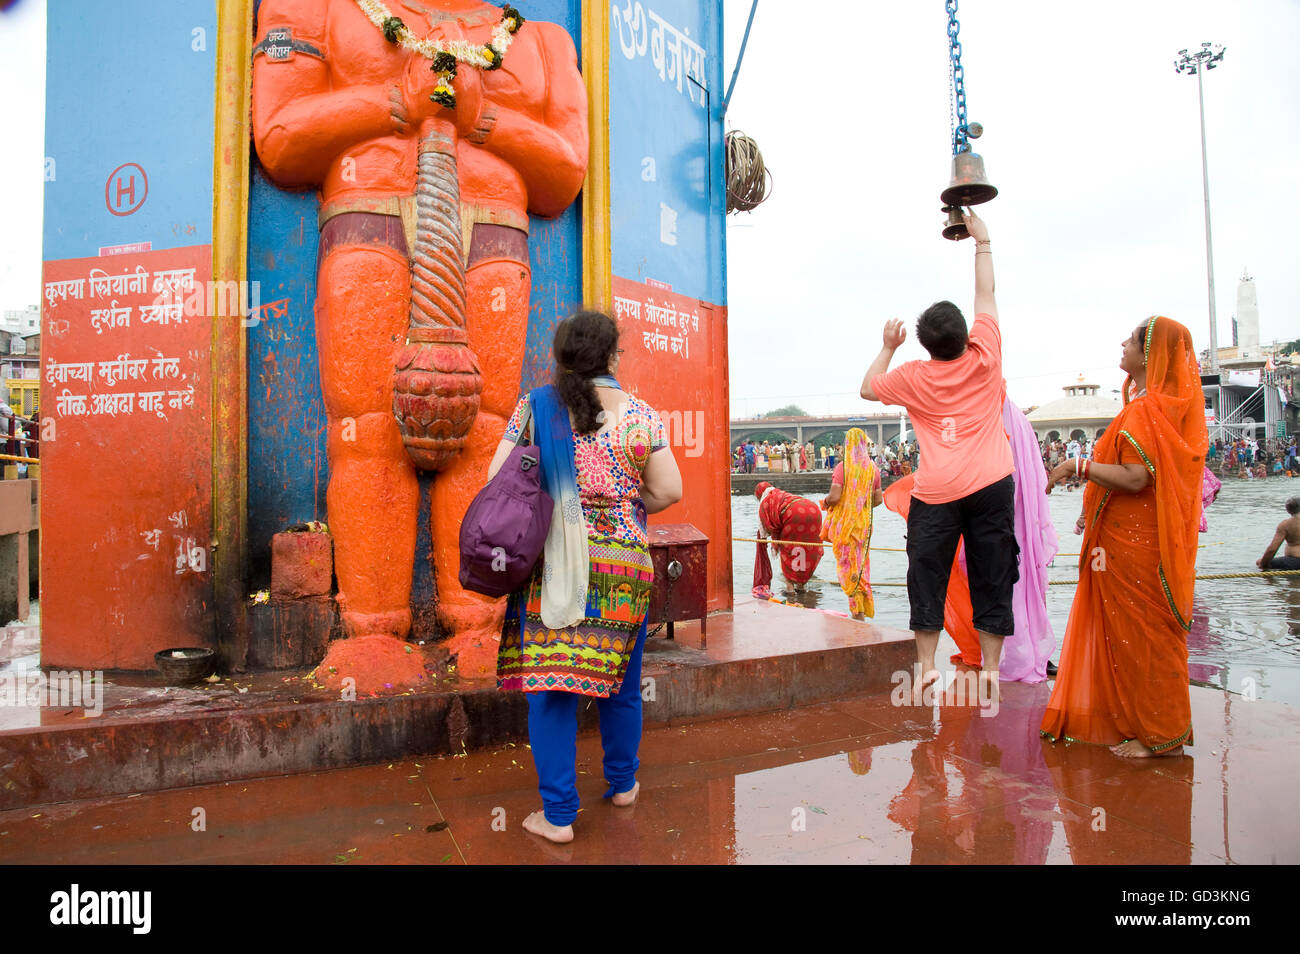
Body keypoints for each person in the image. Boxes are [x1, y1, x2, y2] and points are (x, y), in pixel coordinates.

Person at [490, 311, 683, 842]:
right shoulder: (641, 415)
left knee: (551, 690)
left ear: (561, 359)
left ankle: (557, 816)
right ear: (613, 356)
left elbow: (497, 478)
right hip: (625, 568)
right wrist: (622, 507)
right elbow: (668, 490)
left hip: (555, 566)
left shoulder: (536, 408)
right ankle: (623, 785)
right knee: (620, 684)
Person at [860, 208, 1016, 704]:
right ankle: (991, 668)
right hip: (992, 485)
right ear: (966, 335)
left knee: (926, 574)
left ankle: (927, 665)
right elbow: (987, 293)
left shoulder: (913, 376)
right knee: (993, 573)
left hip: (937, 492)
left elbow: (867, 388)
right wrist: (982, 241)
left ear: (926, 345)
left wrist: (888, 346)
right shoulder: (986, 356)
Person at [1041, 316, 1206, 758]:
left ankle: (1160, 737)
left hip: (1135, 544)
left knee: (1145, 635)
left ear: (1149, 354)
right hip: (1135, 539)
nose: (1123, 344)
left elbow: (1136, 478)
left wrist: (1076, 467)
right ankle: (1142, 724)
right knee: (1135, 635)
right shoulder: (1162, 409)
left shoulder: (1145, 411)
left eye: (1131, 340)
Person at [822, 428, 883, 619]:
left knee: (849, 568)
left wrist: (825, 502)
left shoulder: (843, 467)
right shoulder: (873, 469)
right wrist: (860, 502)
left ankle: (858, 616)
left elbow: (834, 497)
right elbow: (878, 499)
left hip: (845, 527)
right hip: (864, 526)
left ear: (847, 445)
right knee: (861, 565)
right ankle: (860, 613)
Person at [755, 481, 824, 591]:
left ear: (759, 495)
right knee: (809, 548)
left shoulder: (766, 501)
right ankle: (801, 586)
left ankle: (790, 588)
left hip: (794, 513)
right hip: (814, 510)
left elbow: (768, 528)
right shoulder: (782, 495)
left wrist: (774, 541)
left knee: (788, 548)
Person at [1256, 498, 1300, 570]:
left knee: (1259, 562)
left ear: (1288, 510)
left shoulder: (1285, 524)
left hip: (1295, 562)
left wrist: (1263, 565)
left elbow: (1272, 549)